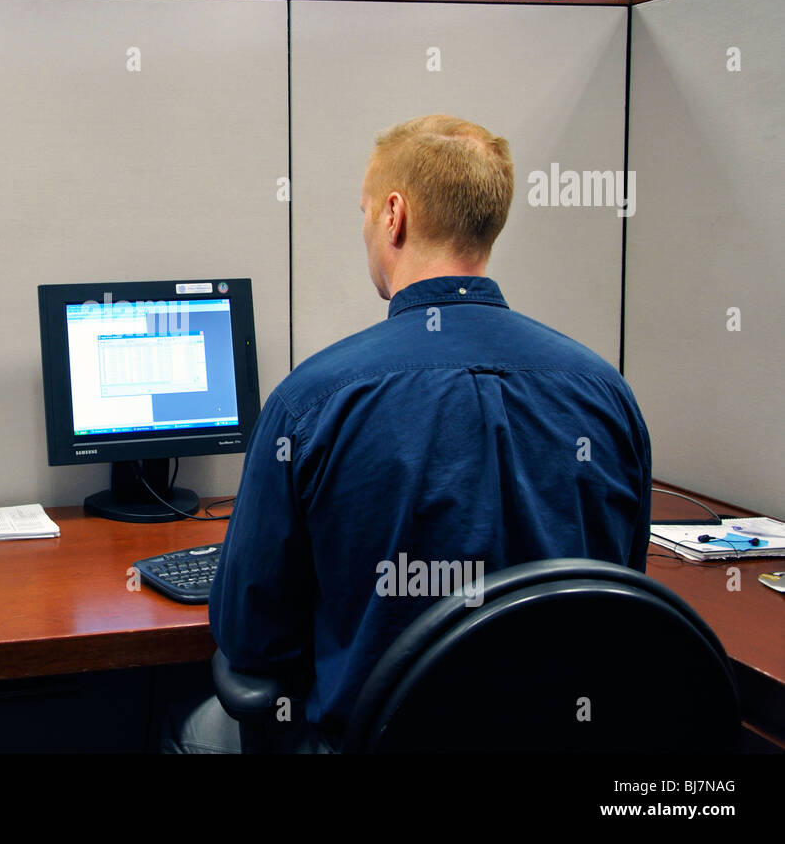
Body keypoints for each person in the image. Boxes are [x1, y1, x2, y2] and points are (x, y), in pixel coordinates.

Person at [163, 114, 652, 753]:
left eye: (364, 212)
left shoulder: (312, 401)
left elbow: (251, 636)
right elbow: (621, 596)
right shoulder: (606, 396)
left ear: (394, 216)